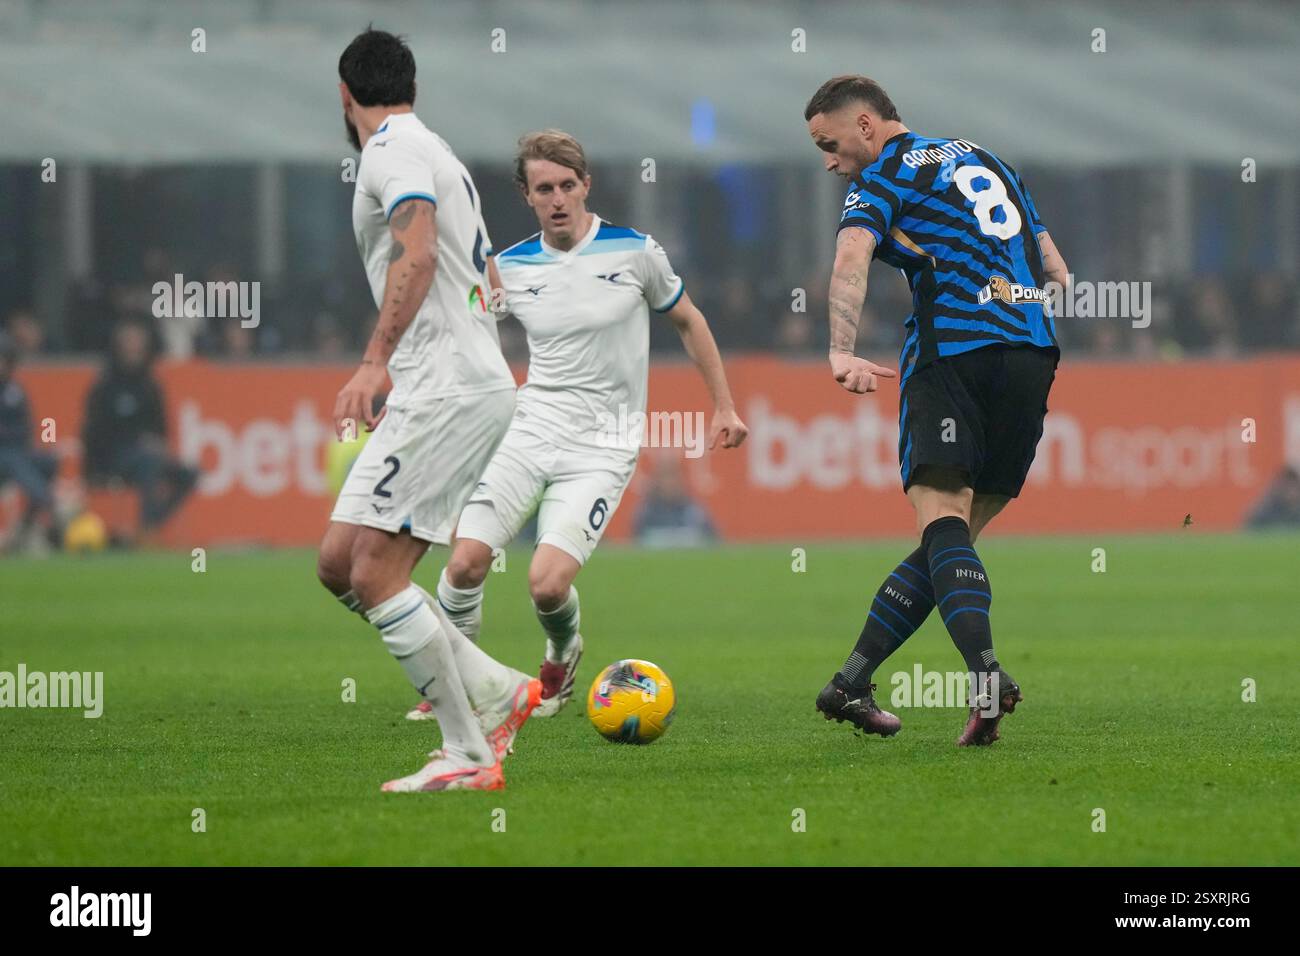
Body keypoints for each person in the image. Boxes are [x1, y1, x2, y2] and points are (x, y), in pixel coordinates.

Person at [420, 130, 747, 719]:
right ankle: (454, 688)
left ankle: (564, 649)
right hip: (530, 429)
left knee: (546, 584)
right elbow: (463, 333)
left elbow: (689, 322)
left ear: (586, 185)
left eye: (568, 185)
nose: (558, 198)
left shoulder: (635, 251)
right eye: (545, 188)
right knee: (465, 561)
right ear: (527, 195)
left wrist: (723, 404)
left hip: (604, 445)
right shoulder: (510, 267)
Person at [804, 75, 1068, 746]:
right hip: (1031, 352)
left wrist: (839, 349)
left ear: (866, 125)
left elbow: (851, 254)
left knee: (942, 519)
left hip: (952, 353)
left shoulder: (885, 174)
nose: (830, 163)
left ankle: (985, 676)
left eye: (829, 145)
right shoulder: (986, 158)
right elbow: (1057, 272)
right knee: (951, 538)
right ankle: (850, 682)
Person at [314, 28, 538, 793]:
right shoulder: (432, 147)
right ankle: (498, 688)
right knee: (339, 564)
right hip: (446, 378)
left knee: (375, 574)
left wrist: (376, 362)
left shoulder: (390, 153)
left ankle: (467, 753)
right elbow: (479, 274)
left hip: (444, 383)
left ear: (346, 96)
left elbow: (418, 251)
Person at [81, 319, 198, 537]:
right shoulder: (105, 385)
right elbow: (94, 432)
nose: (134, 350)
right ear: (118, 347)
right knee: (148, 460)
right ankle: (146, 527)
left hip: (147, 456)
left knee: (189, 474)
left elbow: (161, 428)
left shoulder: (150, 385)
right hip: (112, 458)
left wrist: (156, 445)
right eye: (129, 344)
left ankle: (152, 522)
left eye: (138, 344)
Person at [0, 332, 59, 550]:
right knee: (14, 459)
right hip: (6, 456)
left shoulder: (16, 392)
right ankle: (45, 501)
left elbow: (26, 429)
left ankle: (28, 519)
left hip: (17, 451)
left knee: (48, 461)